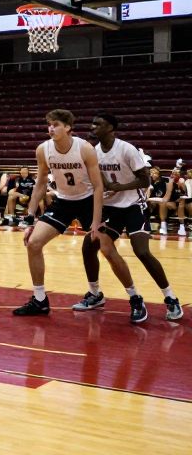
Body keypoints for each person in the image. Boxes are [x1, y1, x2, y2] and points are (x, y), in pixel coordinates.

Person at [71, 114, 182, 323]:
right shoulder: (94, 153)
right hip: (111, 209)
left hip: (133, 206)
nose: (93, 126)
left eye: (98, 124)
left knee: (141, 251)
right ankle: (95, 294)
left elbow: (145, 180)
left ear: (111, 128)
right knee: (88, 245)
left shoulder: (126, 149)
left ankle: (170, 297)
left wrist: (119, 187)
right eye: (92, 123)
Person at [13, 109, 104, 317]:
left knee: (103, 248)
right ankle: (39, 300)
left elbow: (99, 186)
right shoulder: (43, 150)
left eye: (55, 125)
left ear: (68, 127)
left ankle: (108, 294)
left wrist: (97, 221)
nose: (51, 128)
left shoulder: (85, 148)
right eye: (49, 124)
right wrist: (30, 218)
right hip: (63, 201)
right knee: (33, 243)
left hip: (88, 200)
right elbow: (41, 183)